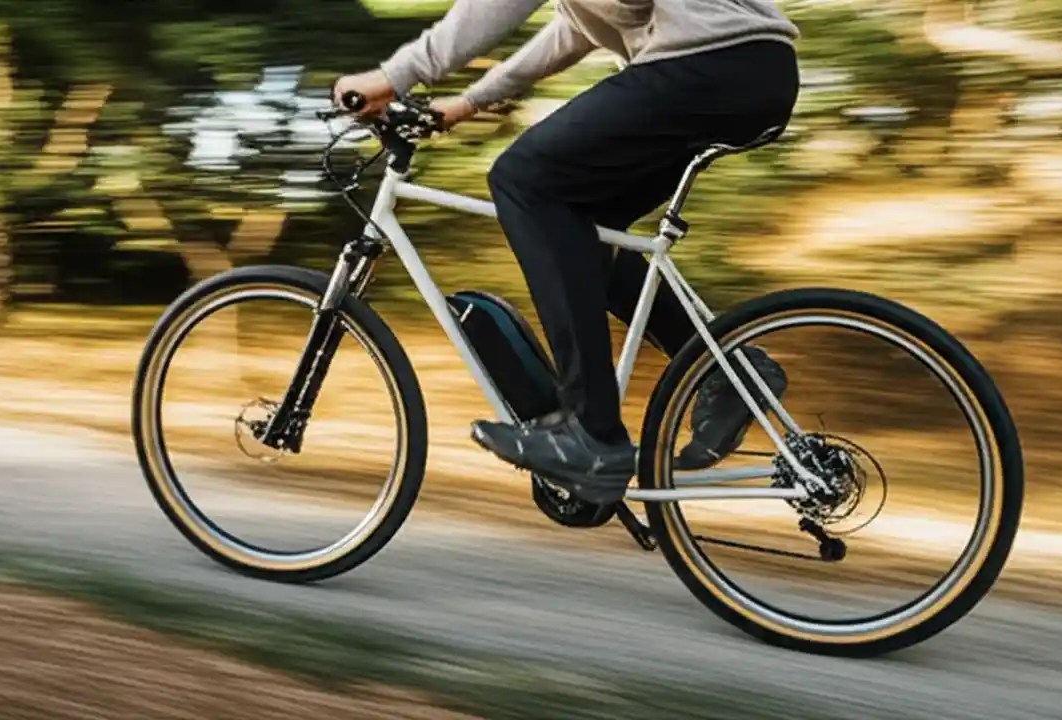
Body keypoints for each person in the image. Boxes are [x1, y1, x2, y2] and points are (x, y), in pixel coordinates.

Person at [334, 0, 797, 504]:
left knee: (523, 181)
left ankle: (590, 435)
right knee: (584, 233)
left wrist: (394, 75)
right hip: (751, 71)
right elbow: (573, 32)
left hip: (705, 64)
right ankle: (728, 371)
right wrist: (469, 103)